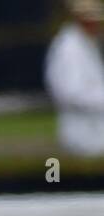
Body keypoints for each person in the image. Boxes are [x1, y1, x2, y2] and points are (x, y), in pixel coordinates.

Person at [45, 0, 104, 157]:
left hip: (95, 129)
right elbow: (71, 93)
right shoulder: (69, 48)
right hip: (82, 133)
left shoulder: (86, 43)